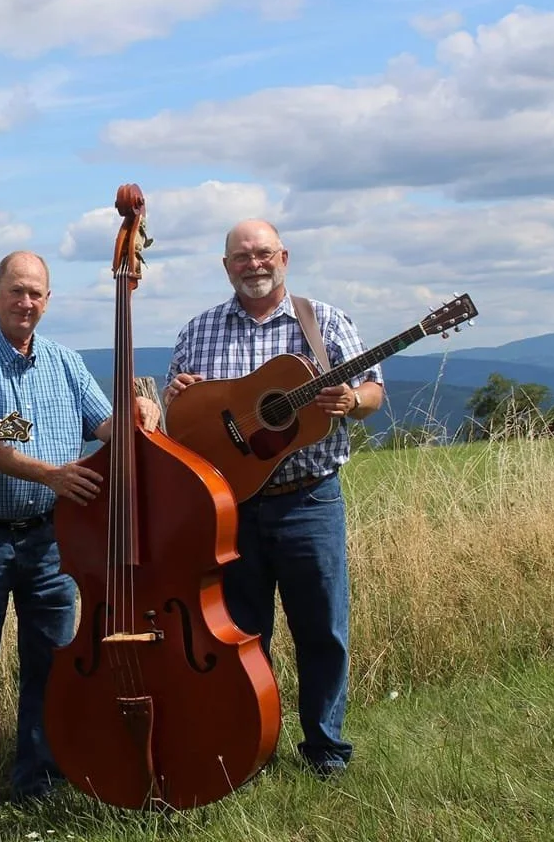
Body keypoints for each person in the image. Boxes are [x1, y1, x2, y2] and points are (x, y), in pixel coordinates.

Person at [0, 251, 159, 822]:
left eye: (36, 293)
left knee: (53, 667)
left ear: (48, 299)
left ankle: (39, 784)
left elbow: (103, 424)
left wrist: (137, 416)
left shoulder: (65, 361)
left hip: (51, 541)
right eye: (16, 291)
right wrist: (52, 474)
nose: (26, 303)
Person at [163, 220, 383, 778]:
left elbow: (375, 392)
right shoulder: (200, 329)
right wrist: (178, 396)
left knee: (323, 629)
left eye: (263, 253)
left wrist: (350, 400)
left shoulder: (324, 321)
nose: (253, 264)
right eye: (241, 256)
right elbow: (181, 421)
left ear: (283, 255)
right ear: (226, 265)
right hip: (230, 508)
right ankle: (247, 749)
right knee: (241, 632)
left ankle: (325, 750)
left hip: (308, 500)